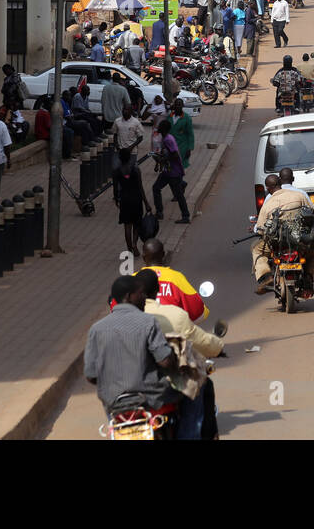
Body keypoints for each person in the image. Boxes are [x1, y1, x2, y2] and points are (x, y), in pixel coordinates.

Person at [136, 267, 225, 440]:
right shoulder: (175, 315)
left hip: (123, 392)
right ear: (157, 290)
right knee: (199, 389)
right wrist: (218, 348)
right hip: (164, 390)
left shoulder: (115, 321)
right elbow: (201, 338)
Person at [84, 275, 178, 418]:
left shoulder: (96, 329)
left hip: (114, 403)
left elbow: (91, 375)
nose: (145, 298)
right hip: (151, 400)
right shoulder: (148, 322)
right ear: (129, 296)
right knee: (190, 399)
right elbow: (164, 361)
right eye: (141, 293)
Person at [251, 174, 314, 294]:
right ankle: (308, 277)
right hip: (300, 240)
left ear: (268, 188)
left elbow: (261, 228)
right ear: (280, 183)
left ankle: (266, 277)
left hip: (276, 243)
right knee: (313, 252)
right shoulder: (299, 196)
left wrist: (258, 230)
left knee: (256, 249)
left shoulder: (268, 204)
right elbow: (313, 215)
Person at [112, 147, 151, 256]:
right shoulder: (136, 170)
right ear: (130, 158)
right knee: (136, 223)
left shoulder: (117, 172)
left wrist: (116, 199)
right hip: (136, 199)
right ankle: (134, 243)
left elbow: (115, 189)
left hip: (125, 199)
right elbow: (140, 187)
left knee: (127, 225)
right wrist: (146, 203)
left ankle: (129, 249)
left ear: (120, 158)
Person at [150, 119, 190, 224]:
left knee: (178, 194)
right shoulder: (167, 138)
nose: (158, 127)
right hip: (168, 171)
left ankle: (185, 216)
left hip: (173, 172)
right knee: (156, 188)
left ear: (164, 129)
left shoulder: (168, 139)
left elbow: (175, 154)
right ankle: (159, 212)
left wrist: (163, 159)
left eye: (160, 126)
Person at [170, 99, 195, 169]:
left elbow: (190, 134)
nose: (178, 106)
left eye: (179, 104)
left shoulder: (187, 118)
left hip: (182, 147)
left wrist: (189, 149)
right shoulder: (170, 117)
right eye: (176, 104)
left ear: (183, 106)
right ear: (174, 106)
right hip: (170, 146)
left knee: (180, 166)